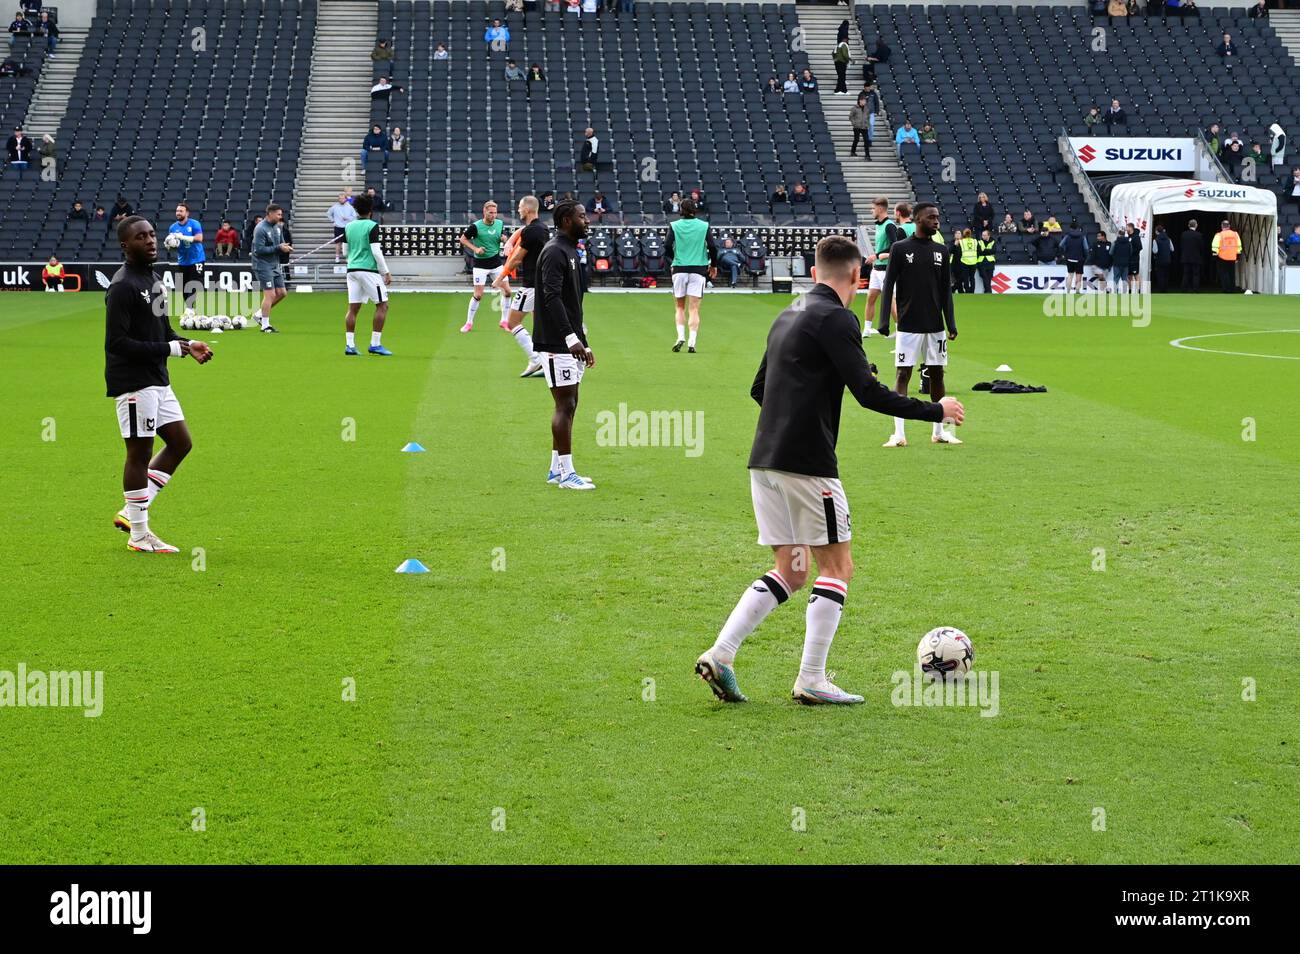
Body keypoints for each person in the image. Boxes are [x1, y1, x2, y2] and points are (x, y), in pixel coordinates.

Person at [693, 235, 963, 707]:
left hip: (765, 460)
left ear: (815, 272)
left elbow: (762, 387)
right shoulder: (838, 317)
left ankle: (722, 653)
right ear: (857, 279)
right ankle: (812, 678)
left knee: (792, 570)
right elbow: (870, 395)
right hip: (808, 463)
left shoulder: (789, 312)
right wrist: (936, 410)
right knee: (837, 567)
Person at [106, 216, 213, 553]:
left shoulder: (154, 280)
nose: (150, 241)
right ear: (126, 245)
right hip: (133, 381)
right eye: (141, 237)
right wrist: (170, 349)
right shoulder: (122, 286)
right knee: (139, 454)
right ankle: (139, 534)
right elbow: (117, 343)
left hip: (157, 379)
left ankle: (132, 510)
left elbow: (162, 333)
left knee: (181, 442)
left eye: (152, 234)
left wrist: (187, 343)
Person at [879, 203, 962, 447]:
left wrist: (951, 322)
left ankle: (939, 431)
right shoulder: (900, 248)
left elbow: (946, 289)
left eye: (938, 217)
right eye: (931, 217)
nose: (937, 221)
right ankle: (899, 433)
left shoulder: (941, 250)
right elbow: (888, 285)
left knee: (937, 374)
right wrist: (885, 319)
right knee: (902, 374)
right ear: (917, 220)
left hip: (935, 326)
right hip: (908, 326)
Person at [533, 200, 596, 490]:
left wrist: (583, 340)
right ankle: (567, 474)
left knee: (570, 404)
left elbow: (573, 304)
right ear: (567, 221)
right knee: (564, 404)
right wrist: (570, 338)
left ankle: (556, 470)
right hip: (556, 342)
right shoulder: (555, 251)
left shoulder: (570, 249)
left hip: (568, 341)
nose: (588, 221)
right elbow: (551, 297)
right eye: (582, 217)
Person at [492, 195, 549, 377]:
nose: (518, 210)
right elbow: (523, 233)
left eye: (520, 207)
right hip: (541, 284)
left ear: (528, 209)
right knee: (540, 325)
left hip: (531, 285)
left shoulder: (532, 231)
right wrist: (510, 241)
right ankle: (546, 361)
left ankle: (535, 359)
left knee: (512, 322)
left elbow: (516, 259)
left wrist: (500, 278)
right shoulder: (541, 228)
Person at [341, 194, 393, 357]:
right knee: (382, 305)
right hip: (368, 271)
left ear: (355, 209)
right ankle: (375, 344)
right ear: (371, 210)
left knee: (353, 309)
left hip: (351, 270)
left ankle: (350, 345)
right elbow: (376, 251)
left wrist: (354, 260)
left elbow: (344, 252)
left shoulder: (348, 226)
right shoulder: (372, 225)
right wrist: (385, 271)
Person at [666, 198, 718, 353]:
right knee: (694, 309)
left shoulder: (674, 225)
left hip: (679, 268)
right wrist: (713, 265)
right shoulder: (704, 226)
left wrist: (673, 260)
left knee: (679, 307)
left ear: (680, 210)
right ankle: (692, 342)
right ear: (695, 209)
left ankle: (680, 336)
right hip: (699, 269)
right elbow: (713, 248)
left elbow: (667, 246)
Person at [459, 199, 506, 333]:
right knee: (478, 295)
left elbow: (501, 235)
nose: (493, 215)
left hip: (496, 263)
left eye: (495, 213)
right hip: (480, 264)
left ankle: (504, 321)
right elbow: (463, 239)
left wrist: (504, 238)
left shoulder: (499, 223)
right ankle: (469, 322)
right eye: (491, 213)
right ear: (484, 212)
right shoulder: (475, 226)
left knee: (507, 291)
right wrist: (475, 249)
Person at [862, 196, 902, 332]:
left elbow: (894, 246)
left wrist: (877, 256)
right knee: (871, 298)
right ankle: (867, 330)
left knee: (890, 301)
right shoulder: (878, 224)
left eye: (873, 208)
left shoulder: (889, 225)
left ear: (880, 208)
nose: (871, 211)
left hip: (886, 269)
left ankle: (899, 329)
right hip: (877, 269)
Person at [250, 203, 291, 333]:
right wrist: (279, 248)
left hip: (274, 265)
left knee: (282, 293)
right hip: (262, 265)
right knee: (270, 294)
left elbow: (281, 244)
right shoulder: (260, 228)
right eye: (278, 214)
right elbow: (259, 250)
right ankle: (265, 325)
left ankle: (258, 315)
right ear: (270, 214)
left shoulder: (277, 227)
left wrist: (285, 247)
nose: (280, 217)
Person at [166, 202, 205, 319]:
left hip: (196, 259)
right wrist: (170, 245)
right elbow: (175, 245)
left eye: (181, 211)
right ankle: (191, 309)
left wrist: (181, 237)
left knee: (193, 283)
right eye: (177, 211)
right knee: (183, 286)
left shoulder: (194, 224)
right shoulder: (172, 227)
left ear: (187, 213)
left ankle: (188, 309)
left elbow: (199, 238)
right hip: (183, 261)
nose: (178, 213)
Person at [1058, 220, 1090, 293]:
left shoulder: (1067, 236)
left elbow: (1060, 245)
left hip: (1069, 258)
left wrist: (1065, 252)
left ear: (1070, 228)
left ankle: (1068, 291)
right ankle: (1077, 291)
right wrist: (1085, 256)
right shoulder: (1082, 237)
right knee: (1078, 275)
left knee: (1070, 275)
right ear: (1078, 228)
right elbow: (1086, 248)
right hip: (1079, 258)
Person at [326, 192, 357, 263]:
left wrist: (348, 218)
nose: (341, 200)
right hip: (338, 227)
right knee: (338, 243)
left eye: (342, 198)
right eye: (339, 198)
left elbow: (354, 217)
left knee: (348, 243)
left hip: (348, 227)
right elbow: (328, 214)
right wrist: (333, 221)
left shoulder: (350, 207)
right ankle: (337, 257)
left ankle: (348, 257)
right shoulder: (334, 207)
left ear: (345, 199)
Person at [1211, 219, 1240, 293]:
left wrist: (1215, 256)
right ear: (1229, 226)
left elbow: (1215, 246)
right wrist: (1238, 256)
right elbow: (1239, 245)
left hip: (1222, 257)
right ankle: (1232, 289)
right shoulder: (1235, 234)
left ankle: (1226, 289)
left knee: (1224, 274)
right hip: (1233, 257)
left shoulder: (1219, 235)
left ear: (1222, 226)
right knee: (1232, 274)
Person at [1179, 219, 1204, 291]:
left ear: (1188, 225)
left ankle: (1184, 288)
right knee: (1196, 274)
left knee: (1185, 274)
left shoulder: (1184, 234)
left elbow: (1181, 246)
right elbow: (1201, 247)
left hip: (1185, 257)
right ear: (1196, 225)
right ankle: (1195, 288)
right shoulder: (1199, 235)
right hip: (1196, 258)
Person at [1151, 224, 1174, 293]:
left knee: (1160, 275)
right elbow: (1172, 249)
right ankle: (1165, 289)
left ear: (1157, 231)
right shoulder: (1168, 239)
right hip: (1167, 259)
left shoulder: (1155, 240)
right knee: (1166, 275)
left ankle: (1161, 289)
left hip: (1159, 260)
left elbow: (1155, 251)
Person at [1110, 228, 1131, 293]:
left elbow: (1110, 252)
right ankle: (1124, 293)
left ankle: (1116, 293)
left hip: (1116, 263)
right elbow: (1130, 252)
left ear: (1118, 234)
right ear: (1124, 234)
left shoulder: (1115, 243)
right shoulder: (1129, 243)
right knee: (1124, 279)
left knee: (1116, 278)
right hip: (1125, 264)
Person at [976, 229, 996, 294]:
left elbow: (993, 251)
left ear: (988, 235)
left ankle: (987, 291)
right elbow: (979, 252)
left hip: (990, 262)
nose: (983, 236)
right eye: (982, 235)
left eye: (984, 235)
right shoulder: (979, 242)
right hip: (981, 262)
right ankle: (989, 291)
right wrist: (988, 251)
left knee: (989, 277)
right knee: (984, 277)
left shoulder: (993, 241)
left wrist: (984, 250)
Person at [1125, 223, 1142, 287]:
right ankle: (1130, 292)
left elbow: (1140, 247)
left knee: (1136, 276)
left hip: (1134, 260)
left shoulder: (1136, 237)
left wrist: (1131, 252)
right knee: (1129, 276)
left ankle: (1139, 292)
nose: (1126, 229)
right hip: (1128, 260)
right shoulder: (1128, 237)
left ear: (1130, 227)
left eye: (1127, 227)